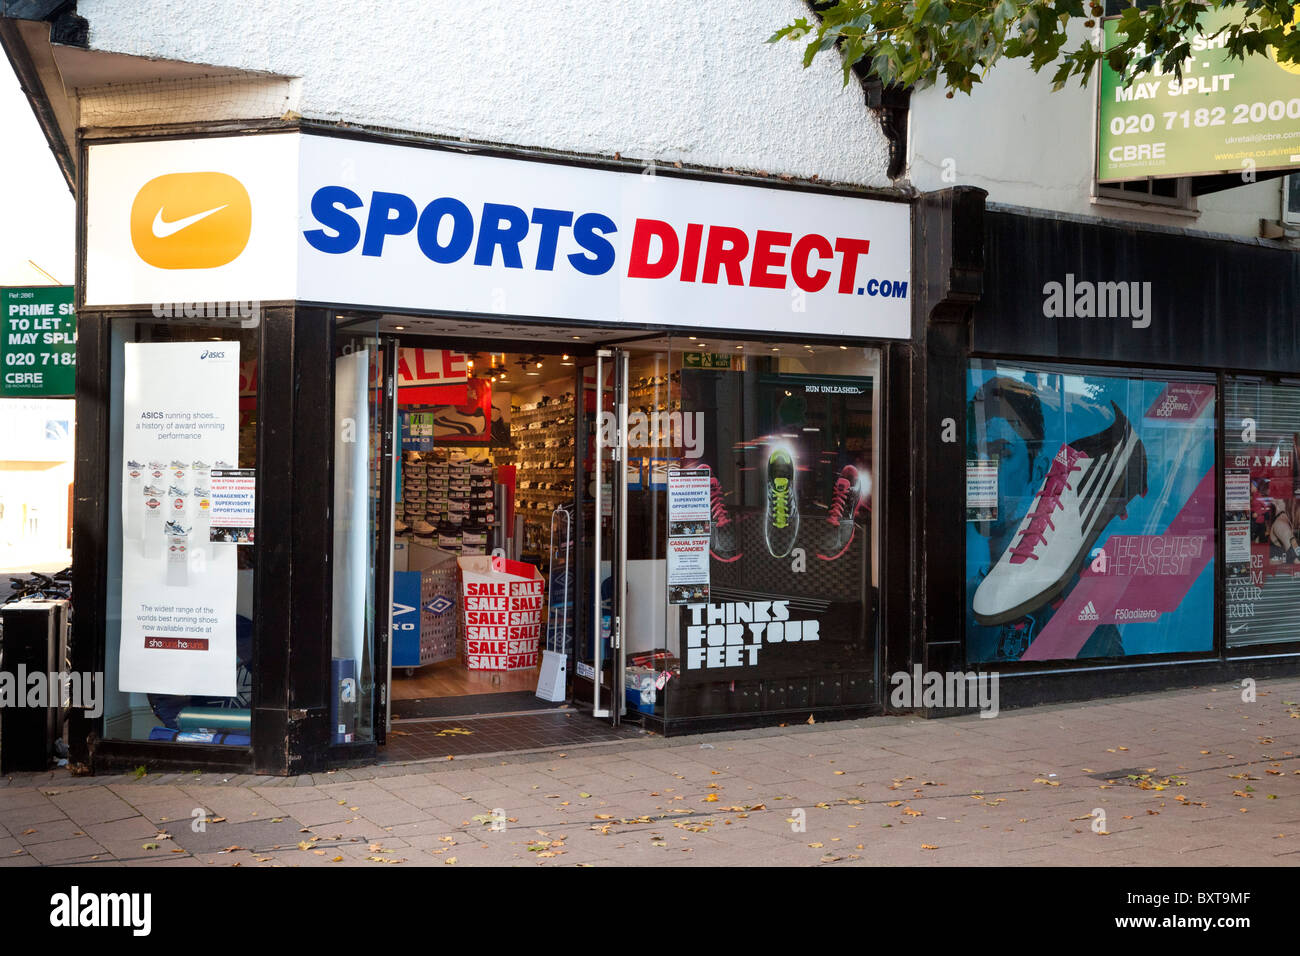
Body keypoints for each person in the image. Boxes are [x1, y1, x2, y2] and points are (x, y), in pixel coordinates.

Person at [966, 375, 1123, 661]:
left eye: (1002, 452)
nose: (983, 470)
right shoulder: (965, 595)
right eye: (975, 454)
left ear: (1037, 471)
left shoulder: (1071, 597)